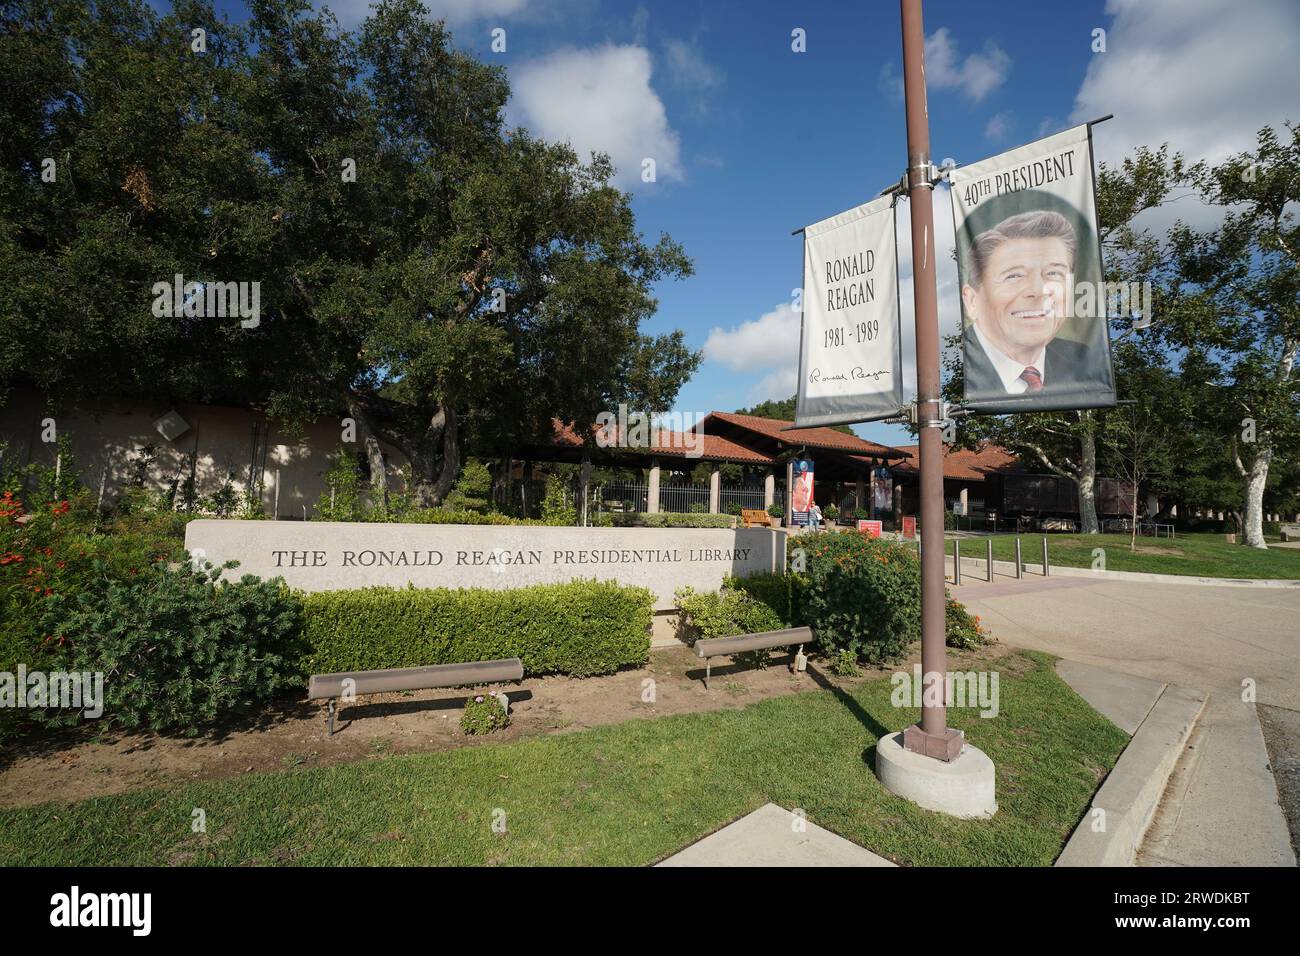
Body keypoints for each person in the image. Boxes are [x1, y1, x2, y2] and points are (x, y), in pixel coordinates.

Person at [960, 210, 1110, 398]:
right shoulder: (956, 364)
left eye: (1054, 273)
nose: (1039, 291)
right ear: (972, 300)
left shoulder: (1084, 362)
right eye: (1014, 276)